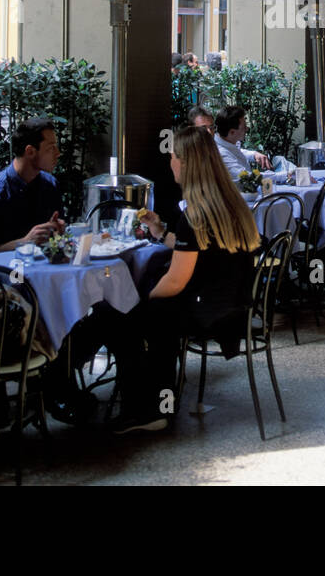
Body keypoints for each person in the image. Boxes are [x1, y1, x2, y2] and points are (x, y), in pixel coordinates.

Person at [106, 126, 262, 432]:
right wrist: (161, 232)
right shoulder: (228, 203)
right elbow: (197, 251)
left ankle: (144, 408)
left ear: (187, 163)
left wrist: (140, 301)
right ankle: (160, 401)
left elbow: (176, 281)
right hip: (234, 306)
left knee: (123, 318)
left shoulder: (196, 213)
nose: (170, 162)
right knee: (156, 313)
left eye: (174, 156)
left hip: (207, 313)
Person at [0, 117, 66, 262]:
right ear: (30, 151)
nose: (58, 153)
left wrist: (57, 230)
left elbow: (57, 238)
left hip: (41, 273)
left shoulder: (49, 185)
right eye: (50, 148)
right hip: (2, 277)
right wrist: (24, 242)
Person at [213, 105, 272, 177]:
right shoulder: (221, 155)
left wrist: (254, 154)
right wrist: (284, 176)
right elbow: (248, 178)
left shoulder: (225, 141)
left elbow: (235, 151)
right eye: (244, 127)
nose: (247, 129)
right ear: (232, 132)